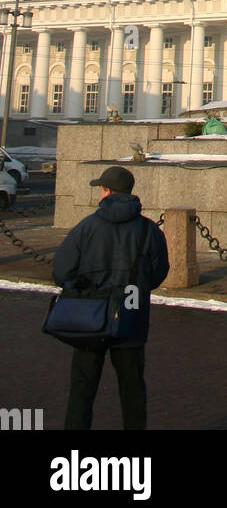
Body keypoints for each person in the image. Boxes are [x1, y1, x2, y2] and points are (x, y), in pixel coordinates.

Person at [52, 164, 169, 430]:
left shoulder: (87, 227)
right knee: (132, 392)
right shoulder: (149, 230)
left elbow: (61, 271)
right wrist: (136, 288)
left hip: (89, 319)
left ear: (106, 191)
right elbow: (159, 273)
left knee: (82, 392)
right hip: (131, 316)